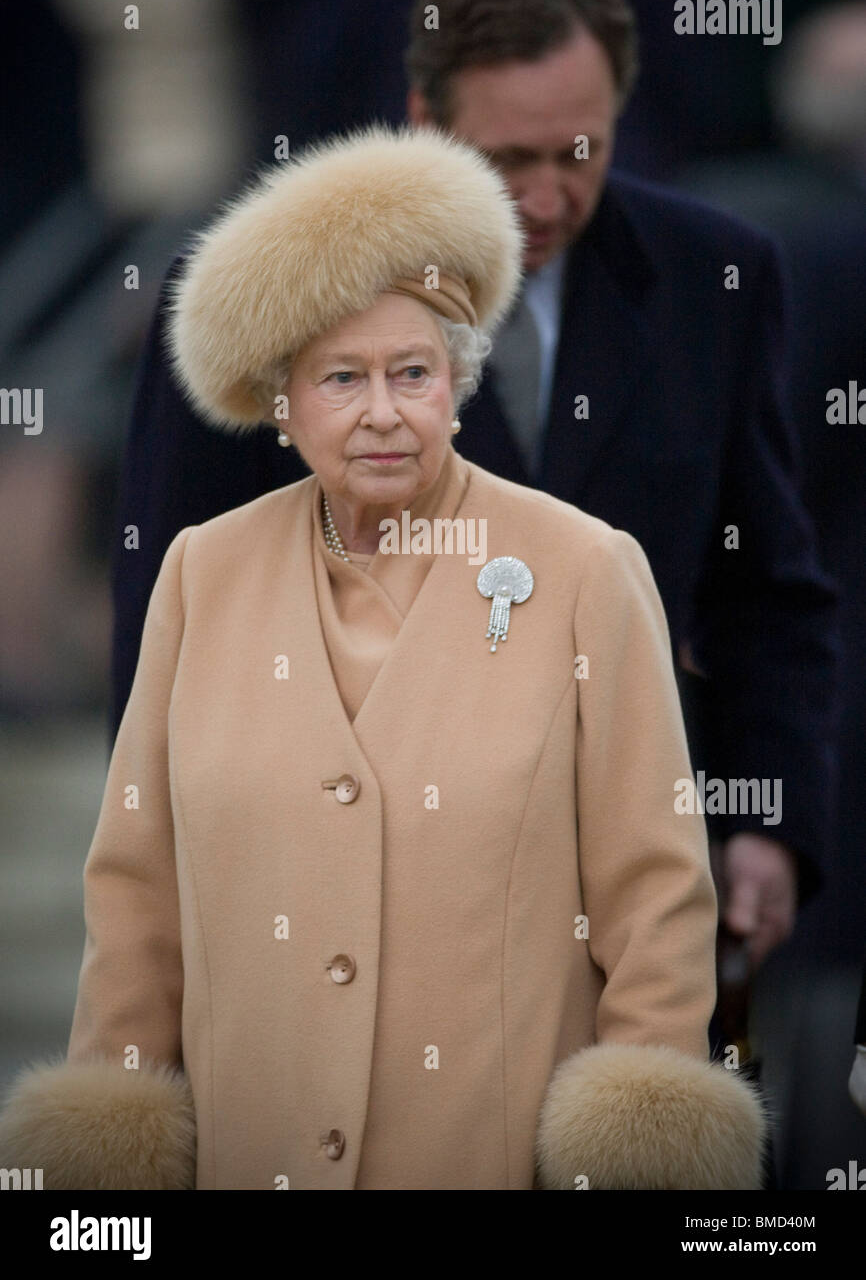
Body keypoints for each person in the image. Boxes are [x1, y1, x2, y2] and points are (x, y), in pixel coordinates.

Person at [0, 126, 763, 1190]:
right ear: (280, 404)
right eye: (339, 378)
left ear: (458, 380)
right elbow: (136, 893)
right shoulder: (200, 572)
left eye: (412, 372)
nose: (380, 414)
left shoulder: (584, 567)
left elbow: (652, 890)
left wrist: (632, 1136)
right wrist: (112, 1129)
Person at [110, 0, 839, 989]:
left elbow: (765, 596)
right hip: (339, 905)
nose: (544, 197)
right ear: (421, 115)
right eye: (506, 160)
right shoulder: (264, 293)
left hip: (627, 896)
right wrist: (167, 923)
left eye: (576, 152)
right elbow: (165, 625)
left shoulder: (712, 277)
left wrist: (768, 826)